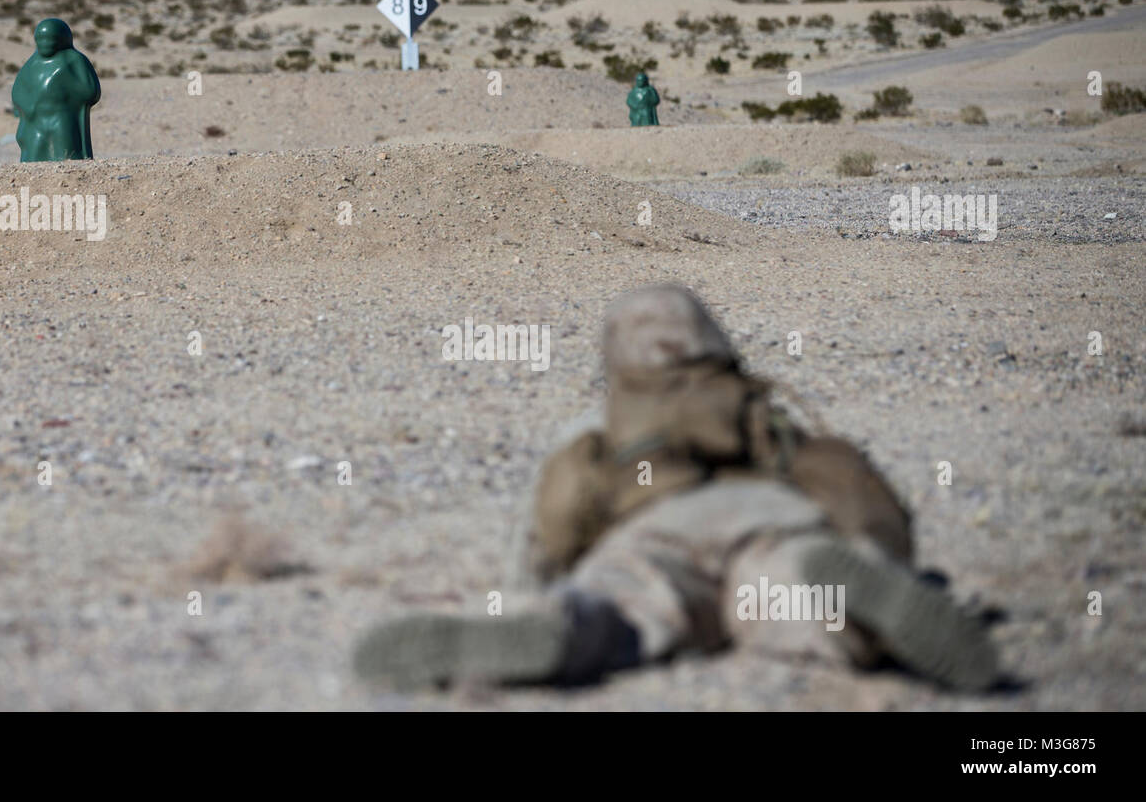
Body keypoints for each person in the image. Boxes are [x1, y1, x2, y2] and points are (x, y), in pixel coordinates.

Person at [354, 286, 1000, 692]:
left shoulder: (598, 430)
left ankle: (566, 626)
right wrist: (879, 558)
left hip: (651, 531)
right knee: (795, 596)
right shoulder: (760, 411)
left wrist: (534, 588)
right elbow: (844, 486)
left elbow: (553, 521)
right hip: (768, 517)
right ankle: (855, 613)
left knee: (622, 606)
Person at [11, 18, 101, 162]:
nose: (45, 43)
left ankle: (67, 182)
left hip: (62, 118)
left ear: (62, 38)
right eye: (41, 39)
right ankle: (32, 183)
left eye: (50, 39)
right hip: (36, 121)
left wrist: (65, 87)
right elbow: (18, 90)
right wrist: (26, 107)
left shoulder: (74, 60)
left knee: (66, 155)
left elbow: (91, 91)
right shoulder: (32, 64)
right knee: (33, 157)